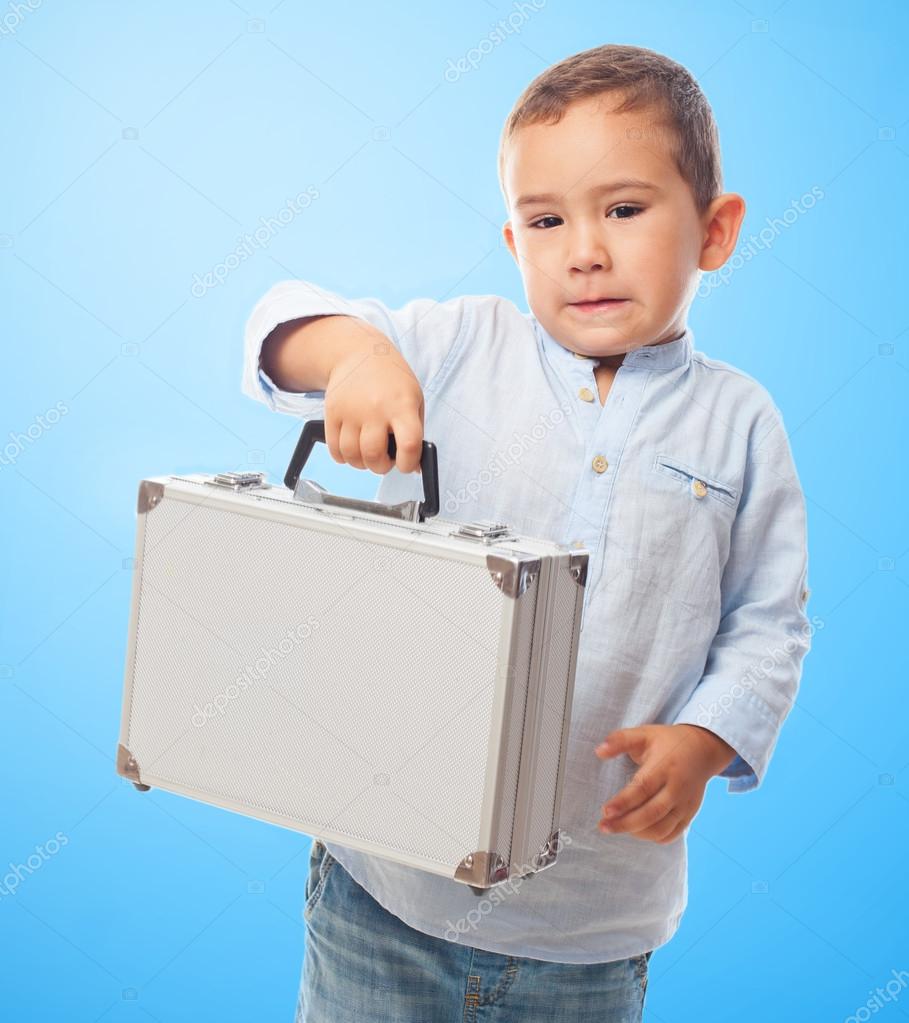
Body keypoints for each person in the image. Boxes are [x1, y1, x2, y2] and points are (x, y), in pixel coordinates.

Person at [242, 42, 812, 1023]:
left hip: (589, 929)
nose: (583, 249)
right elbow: (282, 318)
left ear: (716, 232)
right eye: (546, 220)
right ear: (514, 244)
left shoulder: (741, 421)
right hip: (384, 891)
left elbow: (770, 622)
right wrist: (359, 356)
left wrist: (707, 736)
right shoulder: (459, 346)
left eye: (624, 210)